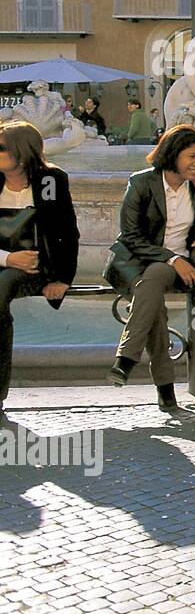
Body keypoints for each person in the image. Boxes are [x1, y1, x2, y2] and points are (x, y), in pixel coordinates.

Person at [104, 125, 195, 409]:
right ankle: (165, 390)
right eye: (192, 156)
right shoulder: (141, 183)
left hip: (174, 268)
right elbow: (131, 237)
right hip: (135, 264)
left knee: (155, 278)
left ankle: (127, 359)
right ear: (173, 154)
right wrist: (173, 259)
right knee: (154, 306)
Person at [0, 121, 78, 418]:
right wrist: (8, 258)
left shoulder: (51, 180)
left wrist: (61, 279)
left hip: (35, 269)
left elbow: (67, 233)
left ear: (22, 152)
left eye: (1, 148)